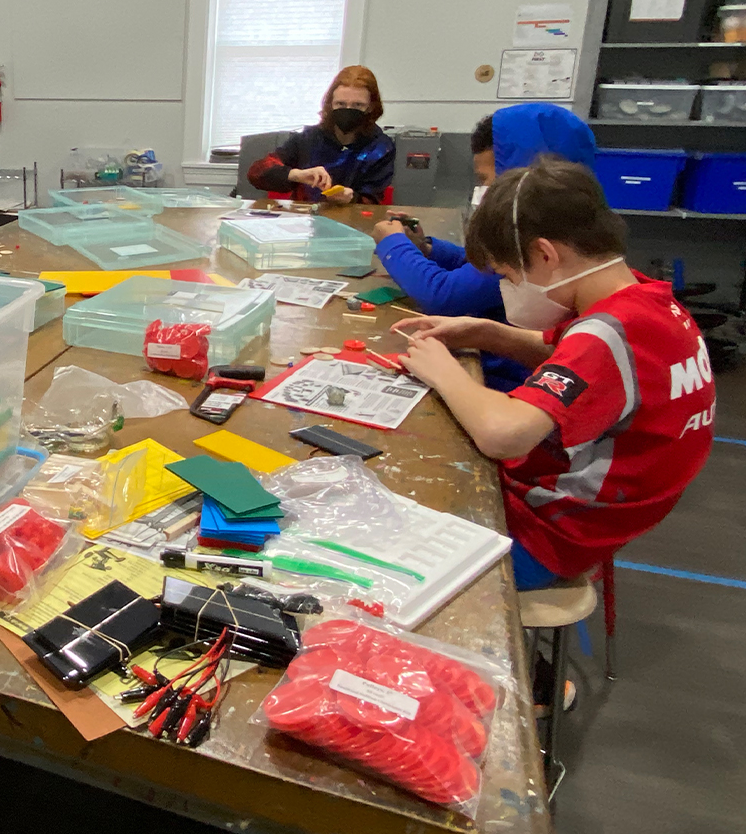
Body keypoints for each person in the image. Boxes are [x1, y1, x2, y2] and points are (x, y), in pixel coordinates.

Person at [394, 158, 715, 592]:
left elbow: (503, 433)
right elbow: (576, 361)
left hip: (545, 537)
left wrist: (446, 373)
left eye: (508, 276)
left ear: (546, 254)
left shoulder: (606, 332)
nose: (507, 288)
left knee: (389, 504)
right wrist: (492, 334)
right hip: (597, 524)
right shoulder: (647, 303)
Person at [370, 104, 597, 391]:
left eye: (489, 180)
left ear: (522, 174)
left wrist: (393, 245)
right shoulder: (568, 220)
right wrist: (427, 249)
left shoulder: (540, 235)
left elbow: (443, 295)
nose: (487, 191)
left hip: (514, 382)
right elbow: (481, 267)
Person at [246, 65, 395, 204]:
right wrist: (298, 175)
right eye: (341, 104)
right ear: (330, 104)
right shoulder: (309, 138)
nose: (348, 110)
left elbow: (374, 199)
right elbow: (257, 172)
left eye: (358, 105)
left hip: (354, 225)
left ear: (370, 107)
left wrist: (351, 197)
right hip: (305, 222)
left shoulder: (381, 147)